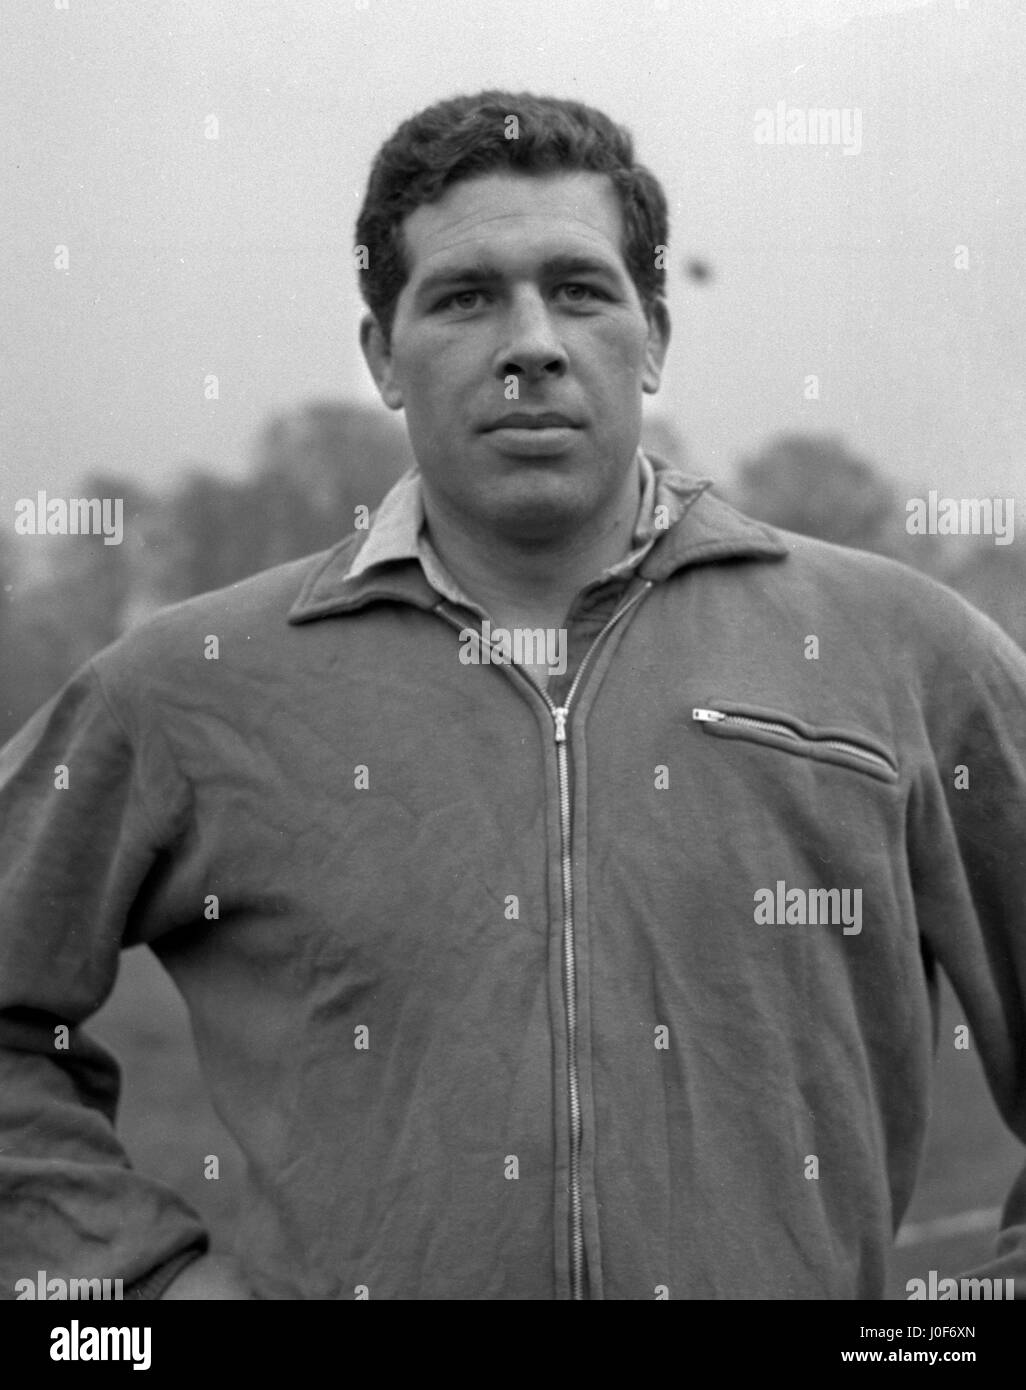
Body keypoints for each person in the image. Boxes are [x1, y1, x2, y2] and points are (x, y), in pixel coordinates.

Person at [2, 89, 1025, 1302]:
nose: (531, 340)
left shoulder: (905, 653)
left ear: (651, 334)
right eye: (465, 295)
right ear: (384, 354)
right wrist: (130, 1290)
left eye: (580, 290)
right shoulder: (188, 685)